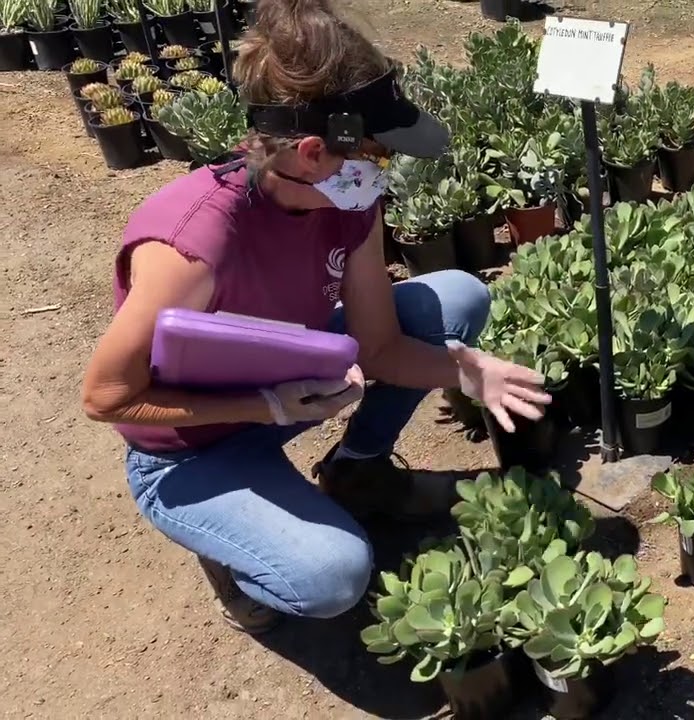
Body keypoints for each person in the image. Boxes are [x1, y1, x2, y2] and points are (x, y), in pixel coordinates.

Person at [79, 0, 551, 635]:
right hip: (188, 447)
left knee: (458, 298)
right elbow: (107, 399)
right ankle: (229, 551)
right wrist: (265, 408)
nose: (388, 168)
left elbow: (379, 348)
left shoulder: (349, 202)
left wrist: (466, 372)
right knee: (334, 576)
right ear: (310, 151)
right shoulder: (192, 248)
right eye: (379, 155)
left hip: (287, 382)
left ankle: (358, 473)